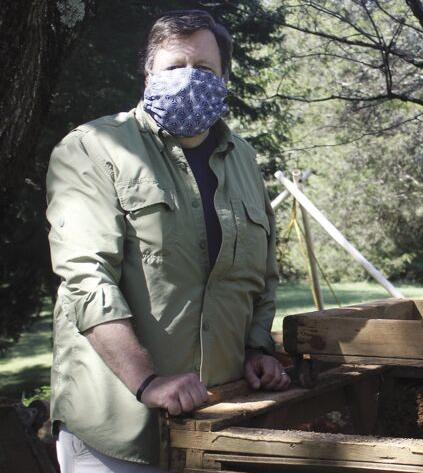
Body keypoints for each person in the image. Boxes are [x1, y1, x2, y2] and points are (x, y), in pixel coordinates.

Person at [46, 10, 288, 472]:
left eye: (204, 69)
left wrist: (258, 350)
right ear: (148, 73)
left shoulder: (243, 159)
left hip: (218, 424)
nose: (189, 79)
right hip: (117, 431)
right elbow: (86, 280)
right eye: (175, 66)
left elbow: (264, 275)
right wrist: (147, 381)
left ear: (224, 78)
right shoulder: (91, 148)